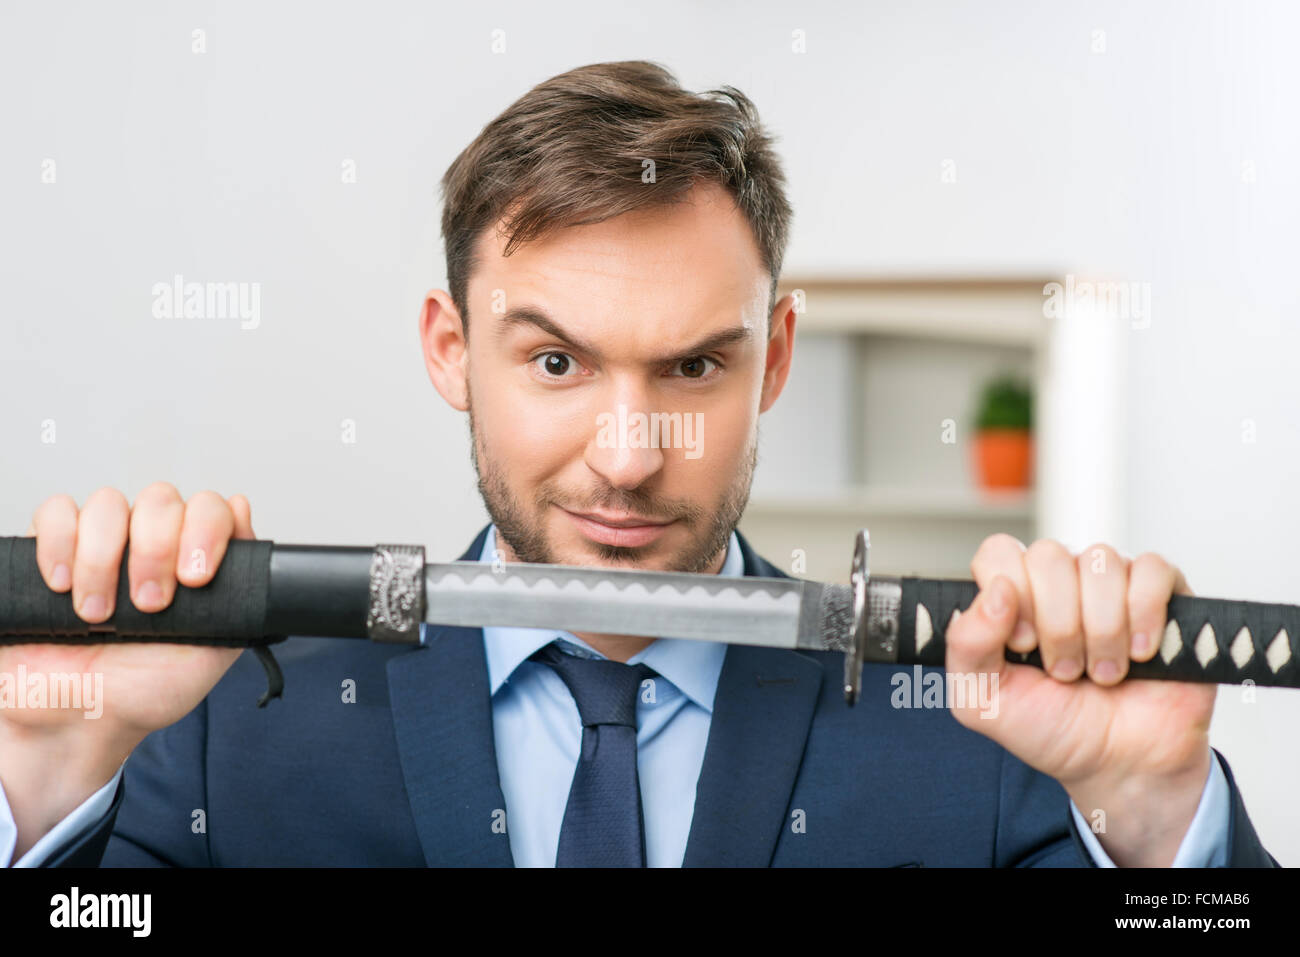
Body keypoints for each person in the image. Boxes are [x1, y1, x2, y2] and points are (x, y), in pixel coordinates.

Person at [0, 61, 1276, 868]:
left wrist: (1157, 822)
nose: (625, 458)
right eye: (556, 363)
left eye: (692, 369)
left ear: (772, 359)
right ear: (451, 350)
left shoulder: (991, 750)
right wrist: (50, 780)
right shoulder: (225, 733)